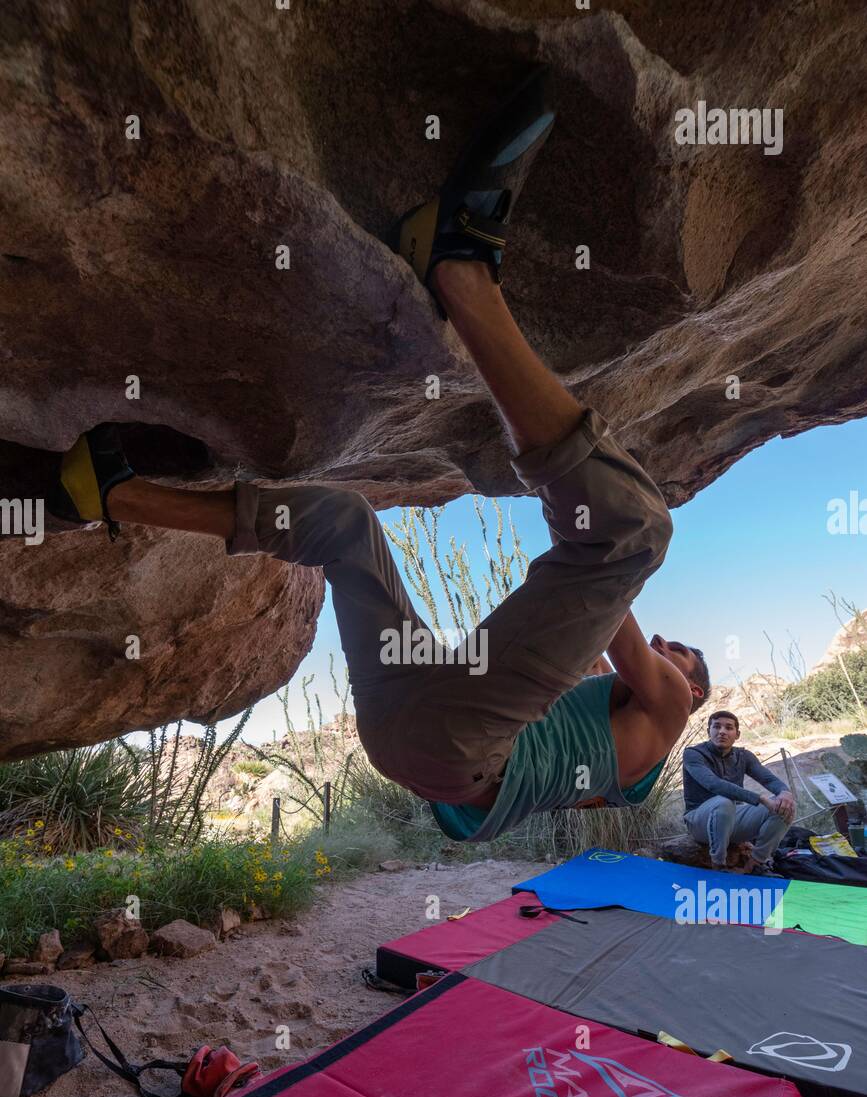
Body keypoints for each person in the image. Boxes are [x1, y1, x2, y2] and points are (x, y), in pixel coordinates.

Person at [45, 68, 711, 844]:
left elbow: (609, 614)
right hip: (416, 730)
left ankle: (457, 267)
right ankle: (111, 494)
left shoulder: (663, 714)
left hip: (456, 750)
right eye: (674, 650)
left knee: (633, 535)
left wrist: (570, 520)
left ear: (692, 695)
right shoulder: (610, 748)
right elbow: (582, 637)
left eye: (685, 658)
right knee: (343, 523)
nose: (670, 650)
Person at [683, 710, 795, 874]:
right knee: (723, 802)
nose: (722, 731)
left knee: (785, 807)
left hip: (733, 819)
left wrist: (785, 792)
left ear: (737, 734)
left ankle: (754, 864)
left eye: (728, 728)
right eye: (716, 727)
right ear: (709, 731)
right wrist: (761, 799)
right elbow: (714, 784)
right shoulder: (693, 754)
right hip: (699, 821)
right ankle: (719, 865)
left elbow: (768, 779)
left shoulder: (743, 756)